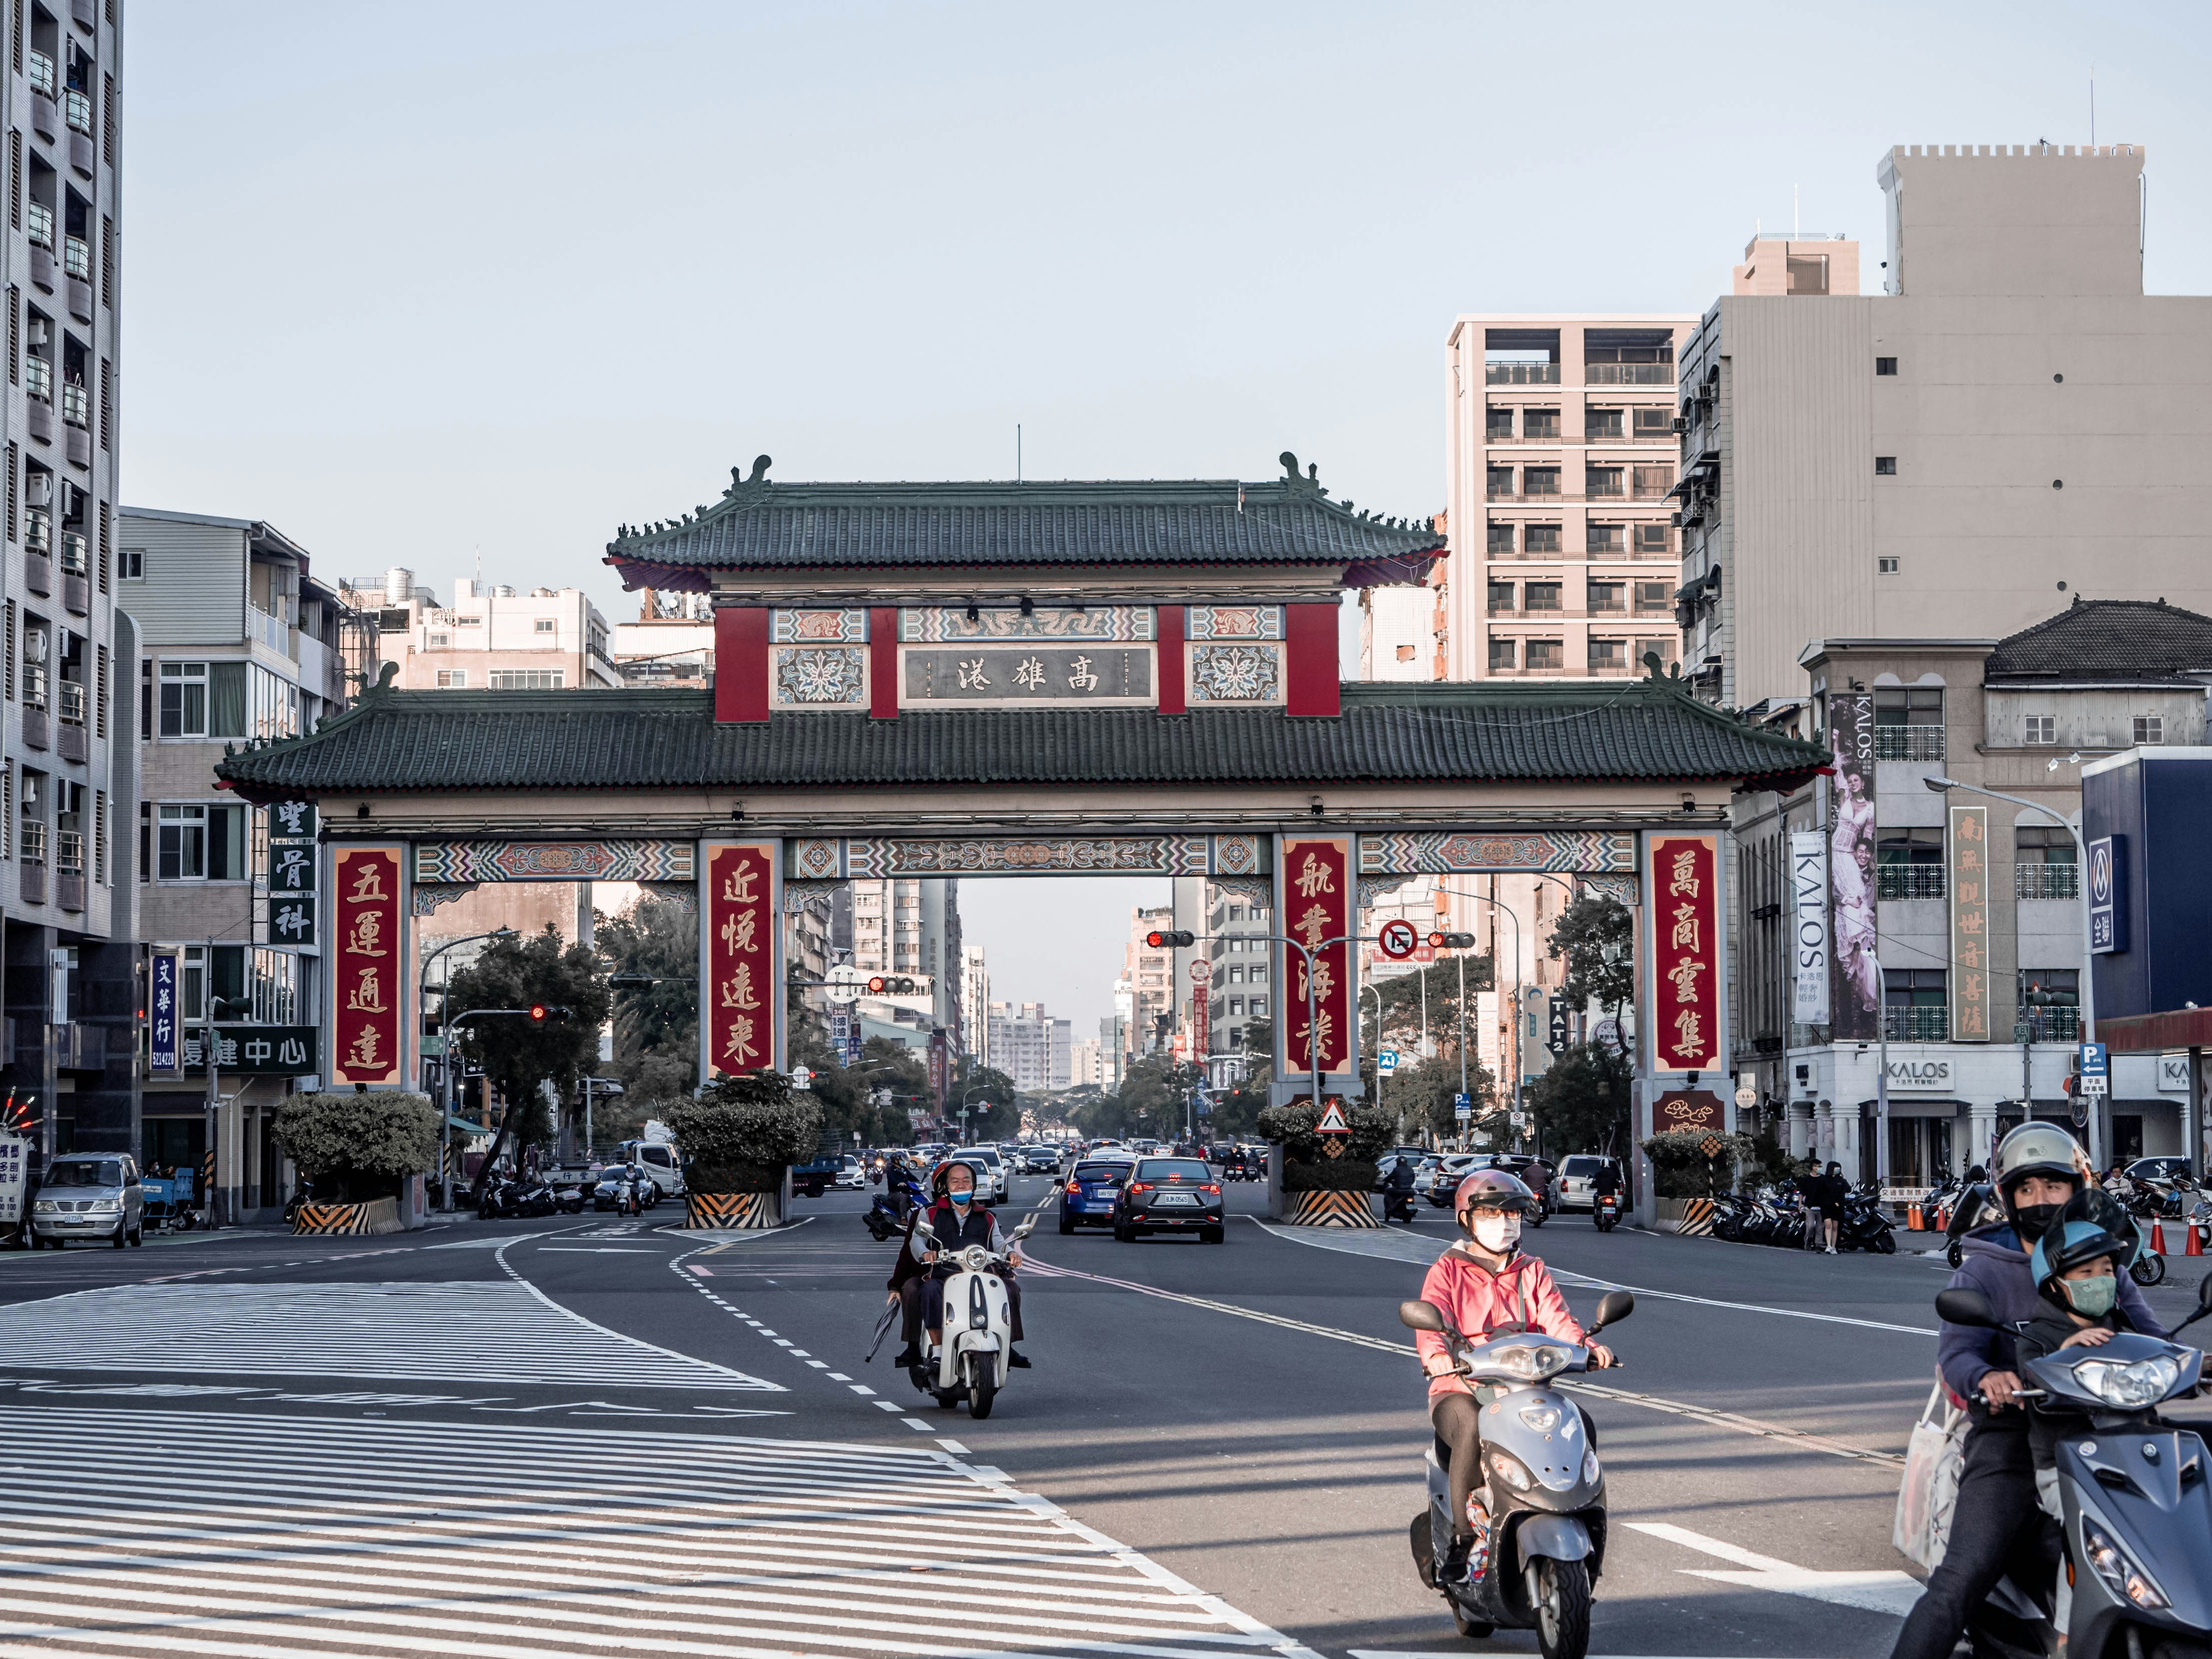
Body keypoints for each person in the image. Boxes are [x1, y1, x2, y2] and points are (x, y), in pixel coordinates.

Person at [1888, 1126, 2167, 1659]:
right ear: (2007, 1198)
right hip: (2015, 1439)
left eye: (2053, 1186)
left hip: (2111, 1436)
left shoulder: (2104, 1264)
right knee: (1962, 1578)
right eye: (2027, 1189)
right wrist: (1987, 1380)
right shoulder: (1982, 1272)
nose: (2041, 1200)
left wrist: (2186, 1363)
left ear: (2077, 1189)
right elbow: (1957, 1357)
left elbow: (2148, 1336)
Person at [1412, 1169, 1613, 1588]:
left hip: (1525, 1389)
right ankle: (1461, 1541)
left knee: (1580, 1421)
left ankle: (1586, 1520)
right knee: (1470, 1425)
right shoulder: (1447, 1270)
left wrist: (1586, 1348)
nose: (1503, 1223)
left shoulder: (1532, 1271)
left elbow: (1558, 1319)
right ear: (1467, 1219)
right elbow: (1431, 1323)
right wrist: (1436, 1358)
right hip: (1461, 1387)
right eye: (1489, 1213)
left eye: (1513, 1215)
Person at [887, 1159, 1028, 1371]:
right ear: (946, 1186)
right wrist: (926, 1252)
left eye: (966, 1181)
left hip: (981, 1274)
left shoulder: (987, 1216)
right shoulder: (930, 1213)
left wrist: (1010, 1254)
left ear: (974, 1185)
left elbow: (999, 1243)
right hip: (943, 1274)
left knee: (1010, 1288)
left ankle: (1007, 1346)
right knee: (929, 1290)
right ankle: (937, 1353)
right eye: (955, 1181)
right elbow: (915, 1240)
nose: (961, 1186)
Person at [1384, 1156, 1418, 1221]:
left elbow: (1390, 1177)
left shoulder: (1397, 1169)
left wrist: (1386, 1179)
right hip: (1409, 1190)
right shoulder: (1411, 1169)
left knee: (1387, 1191)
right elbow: (1413, 1180)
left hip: (1399, 1190)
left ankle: (1391, 1207)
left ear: (1398, 1162)